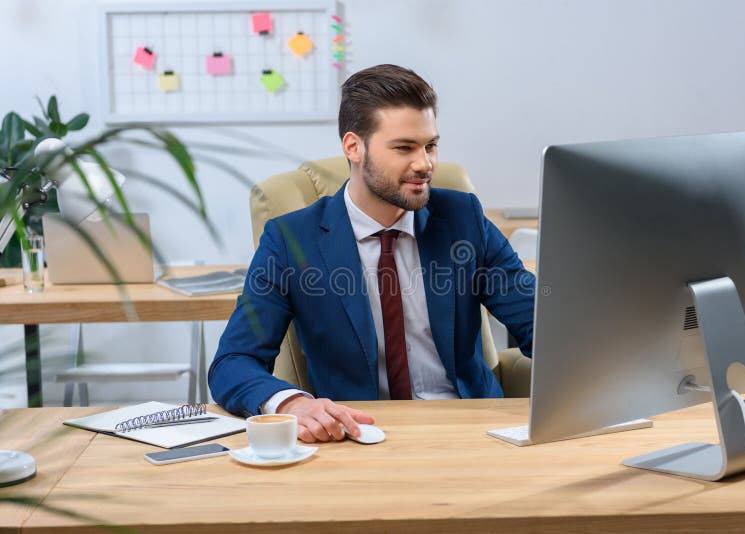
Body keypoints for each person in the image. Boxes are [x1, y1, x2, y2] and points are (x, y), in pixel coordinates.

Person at [209, 64, 535, 443]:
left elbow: (538, 322)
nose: (424, 164)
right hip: (357, 434)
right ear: (354, 147)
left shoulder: (463, 218)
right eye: (404, 148)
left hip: (470, 430)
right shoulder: (291, 240)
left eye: (430, 146)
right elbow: (233, 362)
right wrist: (292, 403)